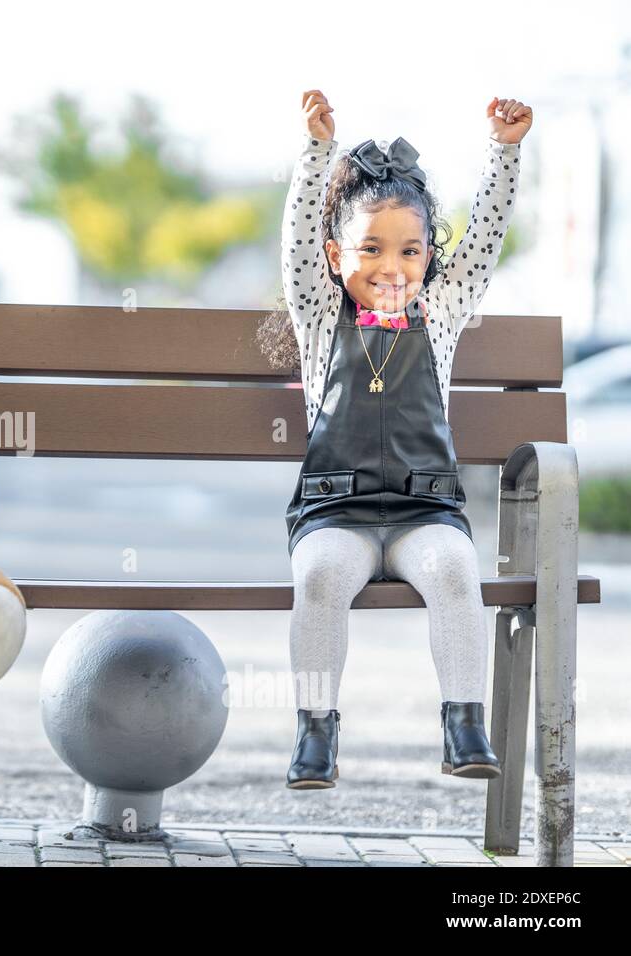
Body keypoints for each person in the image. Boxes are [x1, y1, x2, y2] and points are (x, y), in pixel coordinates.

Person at [266, 89, 532, 789]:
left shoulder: (441, 312)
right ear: (333, 255)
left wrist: (504, 153)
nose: (392, 266)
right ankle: (315, 732)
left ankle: (463, 722)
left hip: (423, 511)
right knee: (319, 578)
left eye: (410, 251)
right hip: (337, 511)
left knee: (454, 571)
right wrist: (316, 151)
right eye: (372, 249)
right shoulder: (321, 316)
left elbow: (484, 240)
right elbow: (294, 237)